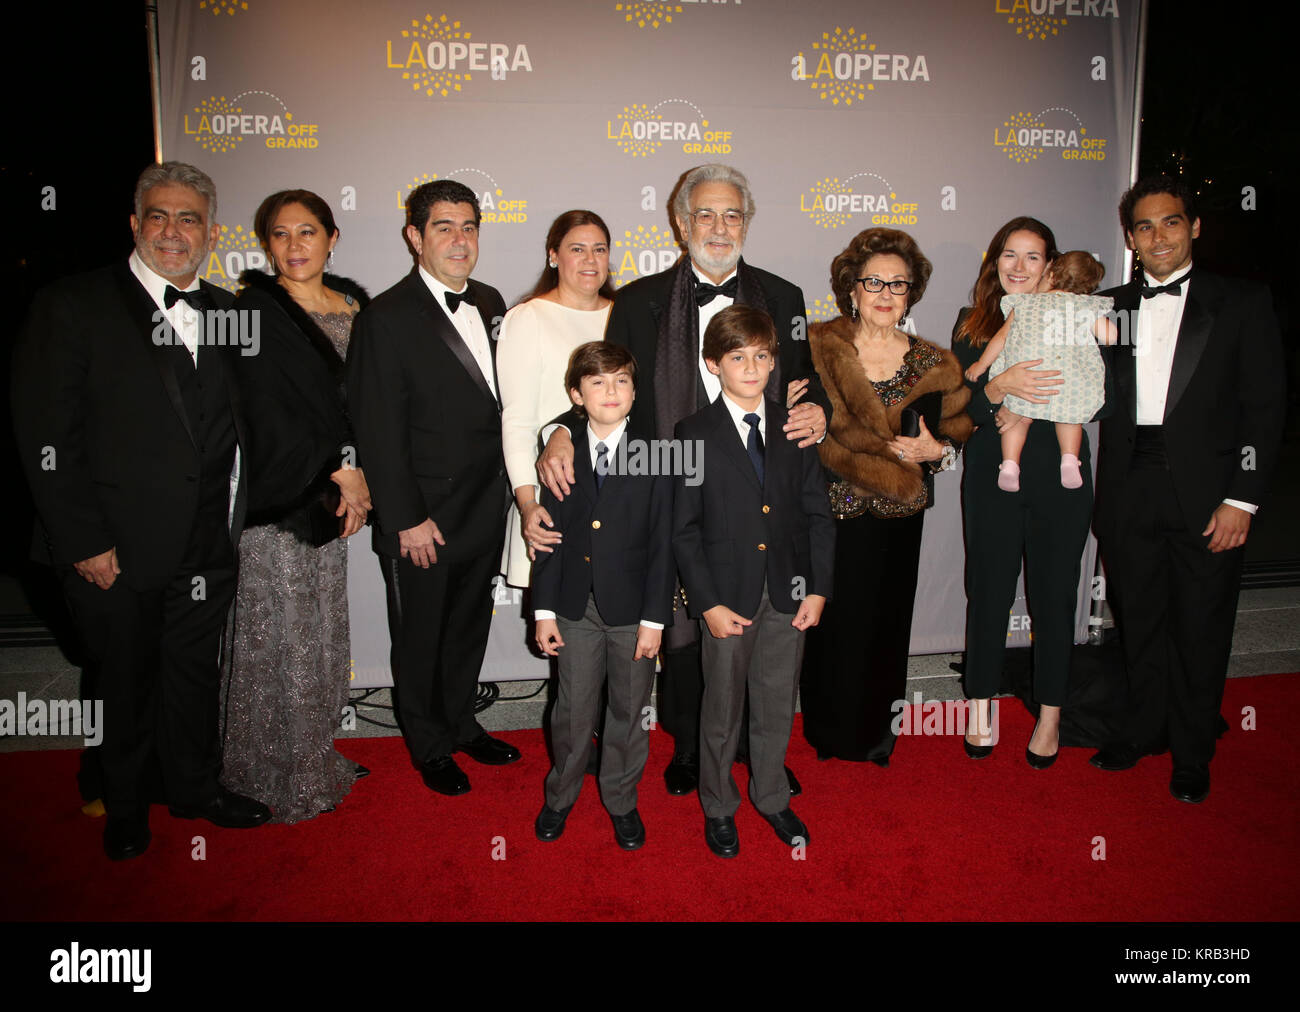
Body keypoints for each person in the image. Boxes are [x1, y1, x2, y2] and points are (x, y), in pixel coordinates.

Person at [535, 164, 830, 797]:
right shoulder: (638, 300)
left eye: (732, 216)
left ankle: (761, 754)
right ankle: (693, 752)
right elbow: (608, 386)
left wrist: (820, 407)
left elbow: (804, 379)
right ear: (680, 222)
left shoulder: (786, 296)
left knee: (757, 619)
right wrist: (560, 429)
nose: (719, 228)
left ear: (747, 223)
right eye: (705, 215)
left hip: (753, 489)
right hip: (663, 488)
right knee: (685, 629)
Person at [12, 161, 271, 860]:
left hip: (207, 541)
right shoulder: (74, 304)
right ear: (134, 223)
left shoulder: (226, 311)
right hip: (114, 544)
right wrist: (82, 540)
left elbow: (243, 421)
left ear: (211, 232)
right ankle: (124, 804)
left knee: (193, 672)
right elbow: (45, 436)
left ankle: (196, 787)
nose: (172, 231)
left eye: (188, 218)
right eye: (158, 215)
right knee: (123, 678)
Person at [1090, 176, 1285, 803]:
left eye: (1170, 222)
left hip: (1209, 496)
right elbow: (1083, 397)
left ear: (1194, 226)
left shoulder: (1243, 302)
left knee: (1202, 625)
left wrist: (1243, 499)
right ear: (1130, 237)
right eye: (1144, 226)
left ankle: (1194, 750)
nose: (1158, 236)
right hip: (1127, 489)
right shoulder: (1108, 305)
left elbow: (1266, 409)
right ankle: (1144, 729)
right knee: (1139, 619)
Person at [346, 179, 519, 796]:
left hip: (484, 505)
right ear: (414, 237)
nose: (459, 239)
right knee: (419, 636)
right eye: (443, 227)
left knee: (468, 627)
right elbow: (377, 429)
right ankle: (427, 744)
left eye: (469, 227)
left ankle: (460, 722)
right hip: (422, 515)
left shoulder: (494, 301)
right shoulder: (386, 317)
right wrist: (404, 516)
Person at [220, 189, 373, 822]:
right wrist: (341, 469)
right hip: (283, 499)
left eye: (306, 232)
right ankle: (263, 774)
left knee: (317, 634)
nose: (293, 246)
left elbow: (369, 398)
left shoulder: (357, 304)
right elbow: (266, 412)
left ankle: (312, 753)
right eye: (279, 234)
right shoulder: (255, 309)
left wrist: (362, 474)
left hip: (338, 492)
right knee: (276, 637)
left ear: (332, 237)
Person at [801, 228, 971, 766]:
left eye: (898, 284)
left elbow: (956, 439)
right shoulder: (817, 347)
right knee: (831, 622)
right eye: (872, 280)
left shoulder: (934, 363)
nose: (884, 292)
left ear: (911, 294)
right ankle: (827, 731)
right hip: (830, 509)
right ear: (850, 287)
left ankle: (878, 733)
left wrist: (936, 449)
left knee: (887, 622)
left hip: (899, 513)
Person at [673, 305, 834, 857]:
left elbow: (818, 512)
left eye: (761, 356)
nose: (751, 366)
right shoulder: (691, 432)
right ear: (713, 364)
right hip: (727, 600)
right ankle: (718, 805)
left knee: (775, 702)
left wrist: (817, 587)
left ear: (774, 362)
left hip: (789, 595)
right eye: (737, 356)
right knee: (721, 709)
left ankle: (770, 795)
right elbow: (684, 530)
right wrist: (707, 603)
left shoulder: (796, 428)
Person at [951, 217, 1086, 769]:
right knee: (988, 595)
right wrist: (1000, 387)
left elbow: (1098, 395)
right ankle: (980, 709)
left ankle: (1050, 716)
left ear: (1050, 265)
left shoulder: (1071, 313)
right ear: (994, 261)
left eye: (1033, 257)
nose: (1019, 267)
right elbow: (960, 412)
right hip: (992, 475)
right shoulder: (972, 323)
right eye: (1010, 254)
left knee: (1055, 598)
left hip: (1061, 474)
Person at [531, 342, 674, 850]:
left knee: (630, 709)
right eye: (597, 382)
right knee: (572, 709)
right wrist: (543, 611)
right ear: (577, 395)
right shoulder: (558, 459)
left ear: (635, 392)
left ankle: (621, 798)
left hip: (634, 613)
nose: (610, 391)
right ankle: (560, 796)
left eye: (620, 381)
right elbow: (548, 539)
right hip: (574, 610)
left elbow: (663, 543)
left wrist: (656, 618)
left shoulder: (657, 456)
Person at [498, 210, 615, 588]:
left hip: (619, 492)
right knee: (565, 625)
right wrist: (528, 502)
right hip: (555, 491)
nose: (590, 259)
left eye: (599, 249)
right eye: (576, 249)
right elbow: (517, 420)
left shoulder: (625, 316)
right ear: (553, 255)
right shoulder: (528, 318)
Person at [966, 251, 1114, 491]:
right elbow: (1111, 336)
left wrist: (980, 365)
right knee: (1069, 419)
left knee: (1018, 418)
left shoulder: (1025, 303)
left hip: (1025, 375)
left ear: (1051, 274)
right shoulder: (1084, 306)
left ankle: (1010, 464)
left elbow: (1001, 338)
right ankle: (1069, 460)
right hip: (1064, 382)